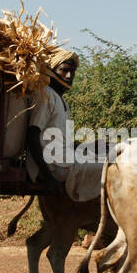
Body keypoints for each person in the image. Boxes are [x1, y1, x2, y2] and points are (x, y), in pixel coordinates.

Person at [25, 48, 103, 202]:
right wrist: (47, 175)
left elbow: (60, 140)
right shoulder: (46, 95)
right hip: (54, 166)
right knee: (111, 169)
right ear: (51, 71)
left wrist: (87, 146)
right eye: (64, 70)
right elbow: (32, 136)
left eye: (72, 72)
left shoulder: (60, 100)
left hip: (62, 160)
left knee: (104, 155)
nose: (69, 76)